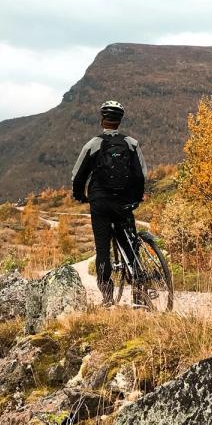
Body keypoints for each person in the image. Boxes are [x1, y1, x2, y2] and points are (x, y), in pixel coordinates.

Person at [71, 100, 148, 304]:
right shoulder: (131, 144)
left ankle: (107, 298)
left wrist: (79, 195)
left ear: (102, 119)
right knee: (131, 245)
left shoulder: (93, 144)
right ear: (120, 121)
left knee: (102, 248)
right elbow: (141, 175)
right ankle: (140, 296)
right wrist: (138, 196)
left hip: (100, 203)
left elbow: (77, 176)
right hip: (124, 202)